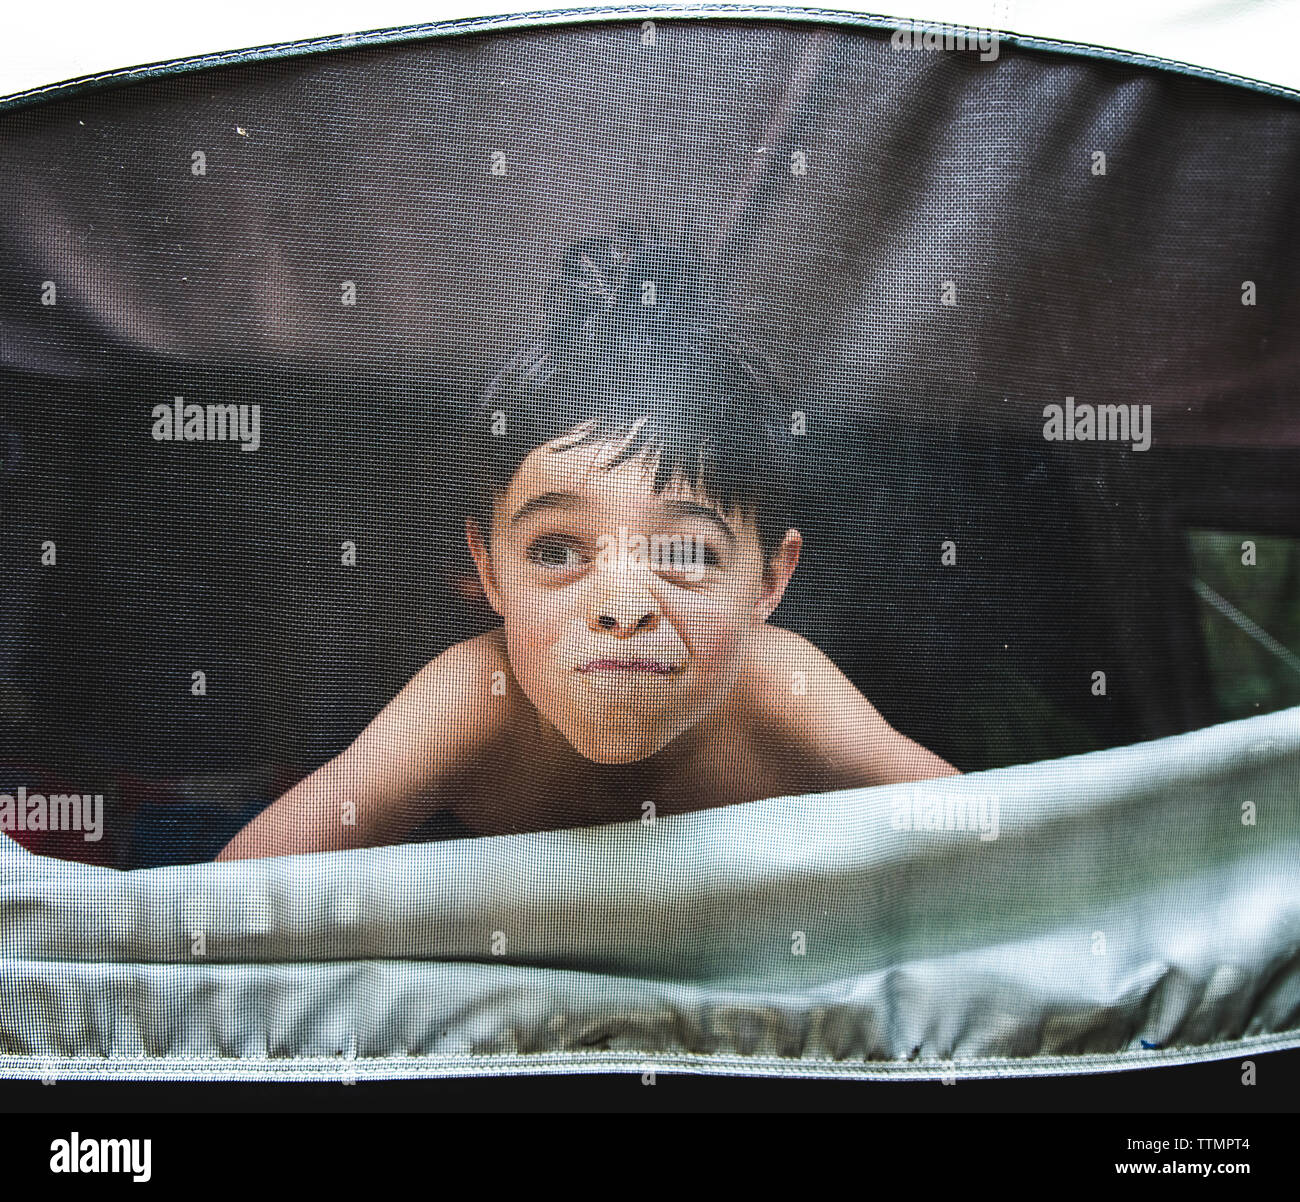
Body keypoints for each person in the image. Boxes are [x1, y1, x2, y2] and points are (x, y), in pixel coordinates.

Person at [216, 220, 957, 860]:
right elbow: (240, 890)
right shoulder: (476, 700)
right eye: (556, 552)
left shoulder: (784, 694)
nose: (621, 607)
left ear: (770, 578)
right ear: (490, 571)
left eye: (687, 554)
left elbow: (994, 843)